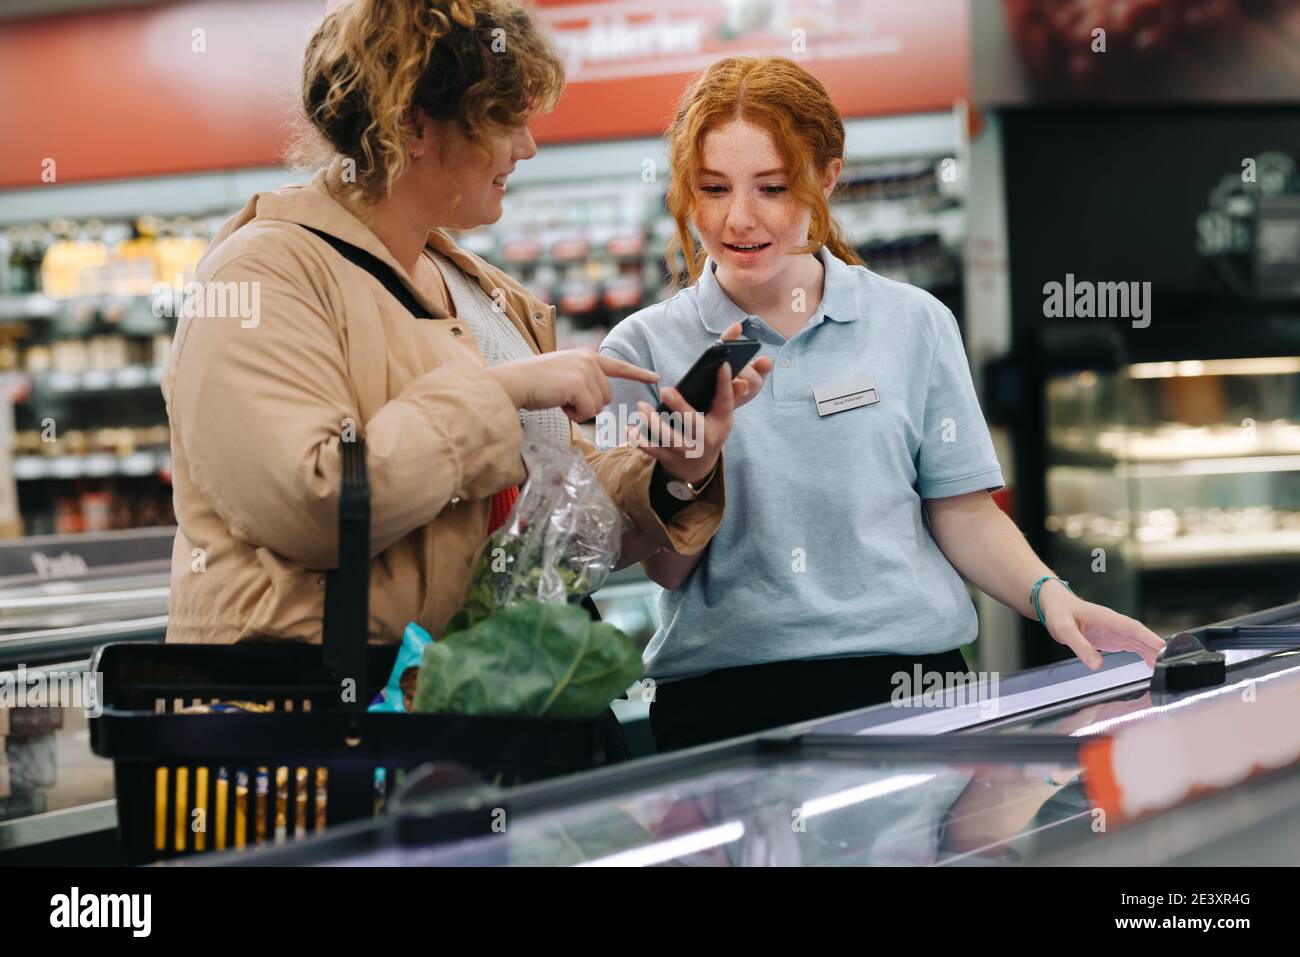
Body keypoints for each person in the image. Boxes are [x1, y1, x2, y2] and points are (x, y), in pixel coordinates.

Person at [161, 0, 769, 667]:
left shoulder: (480, 290)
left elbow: (548, 532)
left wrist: (673, 472)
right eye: (504, 120)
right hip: (325, 723)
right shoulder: (264, 273)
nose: (527, 146)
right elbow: (315, 505)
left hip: (480, 702)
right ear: (415, 124)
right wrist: (500, 392)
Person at [599, 56, 1165, 753]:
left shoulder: (913, 322)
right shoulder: (645, 346)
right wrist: (691, 471)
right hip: (726, 703)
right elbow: (665, 569)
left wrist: (1054, 599)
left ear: (827, 177)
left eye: (772, 188)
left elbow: (960, 510)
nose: (738, 218)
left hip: (913, 685)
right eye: (712, 189)